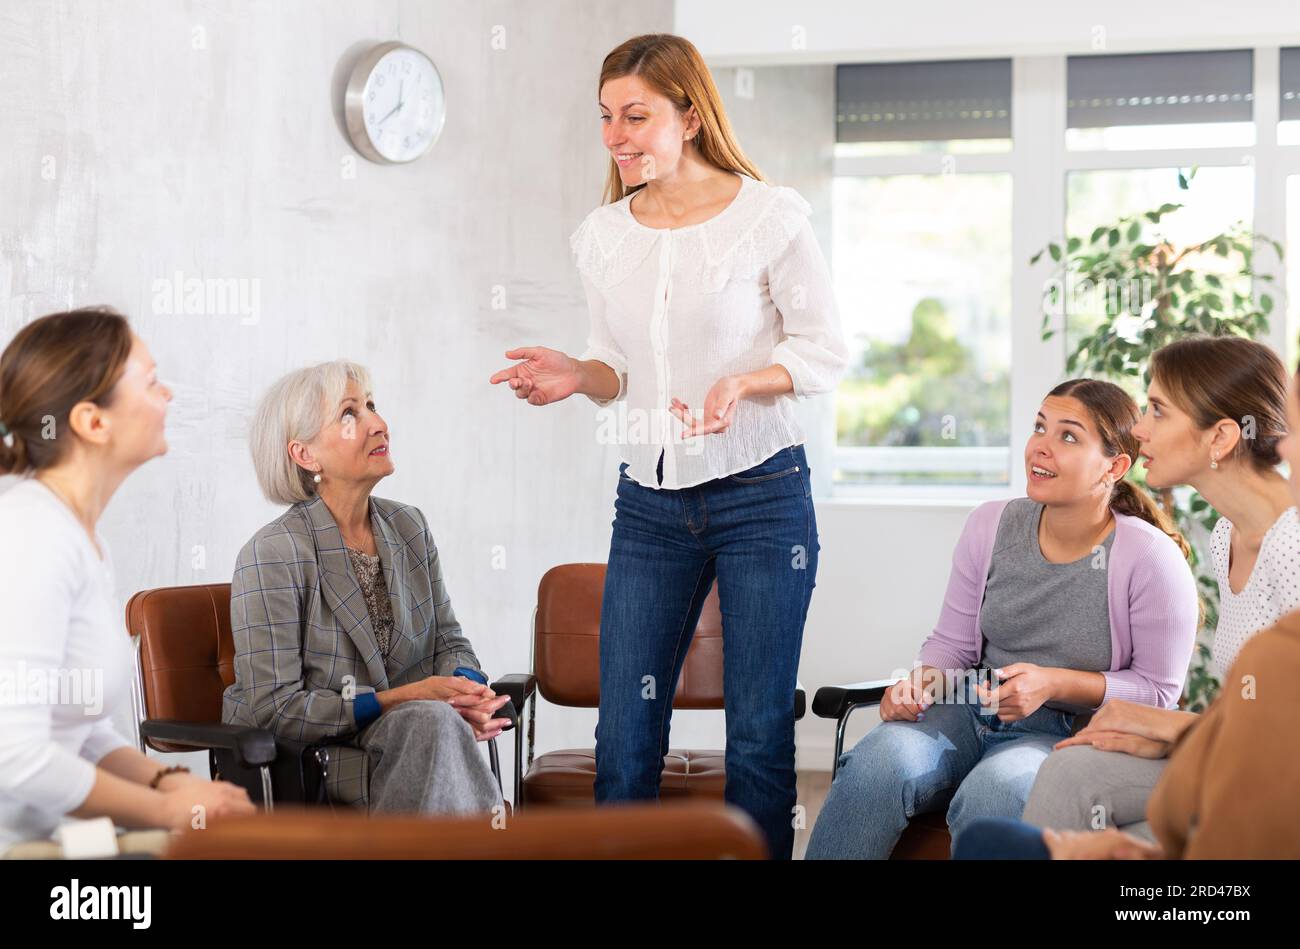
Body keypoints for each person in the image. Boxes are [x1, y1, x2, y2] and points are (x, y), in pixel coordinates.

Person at [488, 33, 848, 859]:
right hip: (649, 503)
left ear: (689, 115)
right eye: (606, 117)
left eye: (637, 115)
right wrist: (576, 374)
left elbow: (824, 348)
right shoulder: (604, 235)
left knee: (758, 731)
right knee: (625, 730)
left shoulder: (770, 216)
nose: (617, 134)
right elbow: (619, 369)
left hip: (761, 492)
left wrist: (744, 384)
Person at [805, 378, 1198, 859]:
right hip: (966, 707)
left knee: (995, 795)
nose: (1041, 447)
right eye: (1040, 427)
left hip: (1063, 733)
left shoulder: (1148, 558)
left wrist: (1052, 683)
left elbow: (1158, 693)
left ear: (1114, 466)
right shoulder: (990, 525)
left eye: (1068, 436)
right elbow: (954, 646)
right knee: (874, 765)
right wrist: (920, 683)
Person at [955, 352, 1300, 861]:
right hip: (1237, 751)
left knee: (1069, 783)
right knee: (1071, 774)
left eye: (1158, 411)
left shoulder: (1290, 546)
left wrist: (1180, 729)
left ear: (1221, 438)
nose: (1139, 429)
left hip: (1266, 771)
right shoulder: (1229, 534)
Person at [0, 307, 254, 854]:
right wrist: (169, 810)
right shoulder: (30, 534)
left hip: (59, 838)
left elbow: (80, 729)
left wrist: (169, 781)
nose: (168, 396)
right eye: (152, 381)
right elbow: (13, 755)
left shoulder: (82, 540)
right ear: (93, 422)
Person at [221, 360, 509, 814]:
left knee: (435, 724)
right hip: (319, 757)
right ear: (305, 455)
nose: (379, 423)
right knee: (432, 725)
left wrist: (466, 691)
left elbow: (448, 640)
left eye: (372, 405)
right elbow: (272, 709)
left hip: (417, 736)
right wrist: (406, 698)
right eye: (350, 414)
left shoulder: (408, 525)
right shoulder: (273, 552)